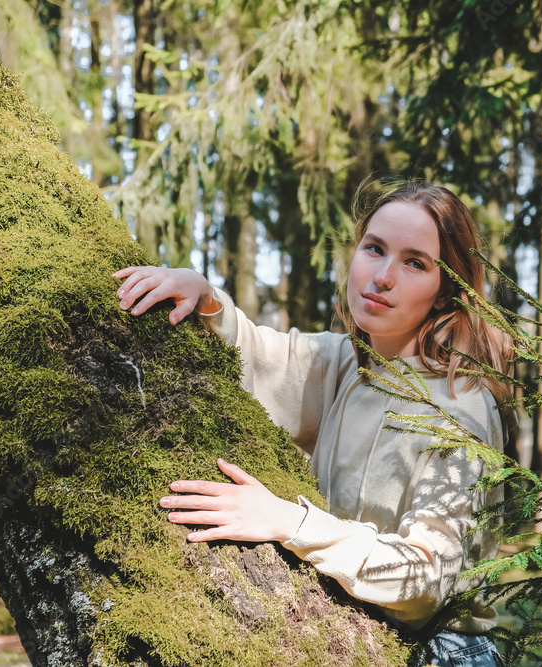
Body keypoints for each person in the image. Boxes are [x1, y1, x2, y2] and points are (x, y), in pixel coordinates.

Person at [112, 183, 512, 666]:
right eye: (374, 248)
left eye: (414, 263)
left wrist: (290, 522)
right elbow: (260, 358)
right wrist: (204, 296)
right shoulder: (351, 361)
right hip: (363, 632)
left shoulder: (461, 410)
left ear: (446, 292)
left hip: (442, 653)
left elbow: (424, 580)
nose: (383, 276)